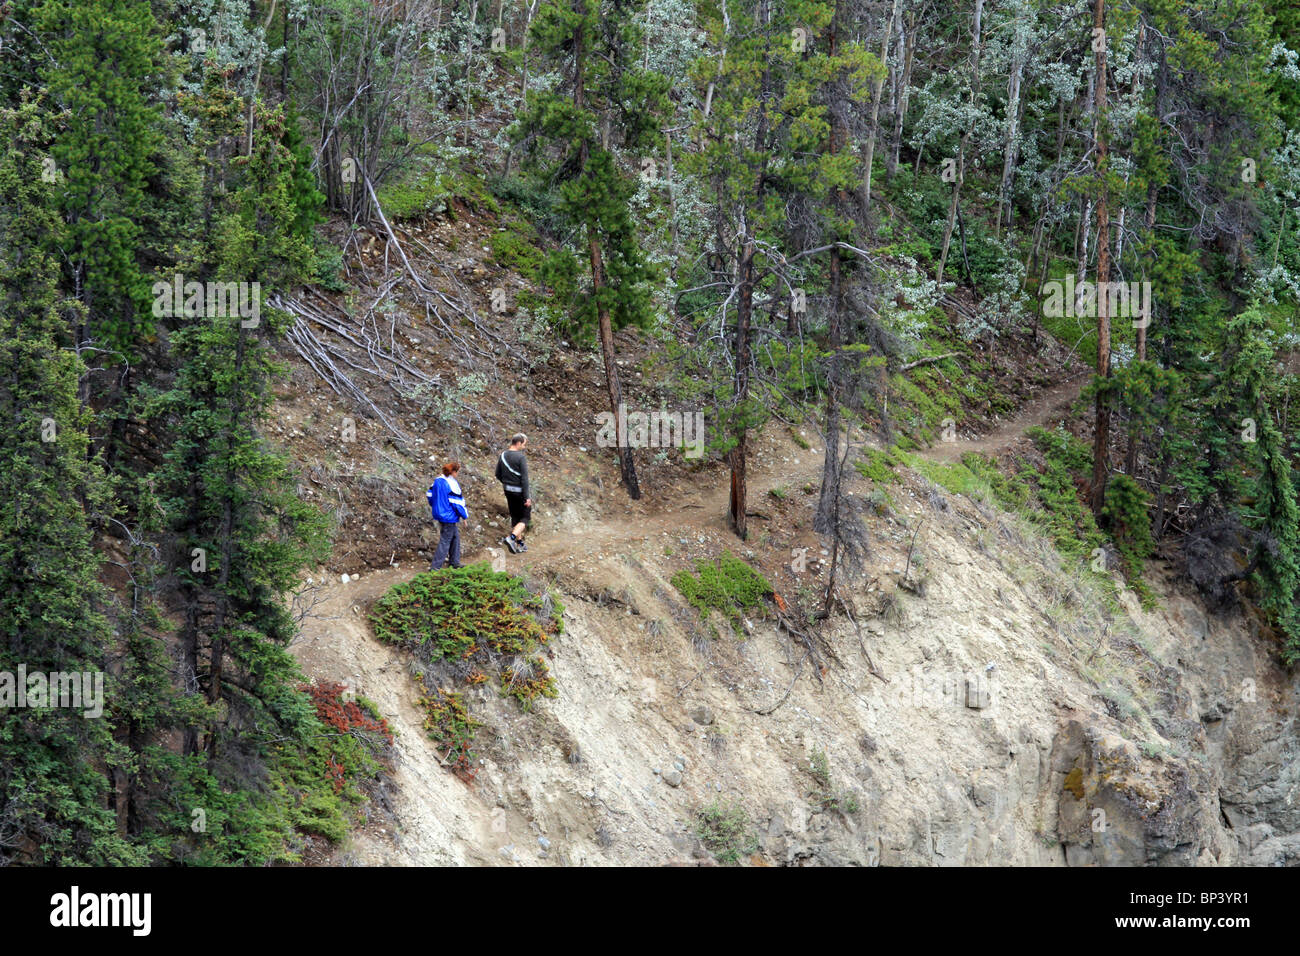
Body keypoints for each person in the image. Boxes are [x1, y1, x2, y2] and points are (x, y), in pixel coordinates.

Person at [427, 461, 468, 569]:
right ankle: (435, 567)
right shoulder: (452, 483)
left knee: (455, 537)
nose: (457, 474)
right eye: (457, 472)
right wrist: (464, 516)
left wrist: (436, 505)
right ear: (453, 472)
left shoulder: (437, 481)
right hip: (448, 515)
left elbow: (429, 495)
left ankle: (454, 562)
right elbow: (457, 502)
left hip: (439, 513)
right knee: (445, 541)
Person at [495, 433, 531, 553]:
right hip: (519, 492)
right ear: (519, 443)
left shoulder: (503, 455)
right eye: (524, 444)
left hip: (508, 491)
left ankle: (519, 543)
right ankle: (511, 538)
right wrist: (527, 497)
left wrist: (506, 483)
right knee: (525, 518)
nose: (524, 447)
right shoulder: (520, 457)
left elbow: (497, 474)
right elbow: (525, 479)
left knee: (515, 516)